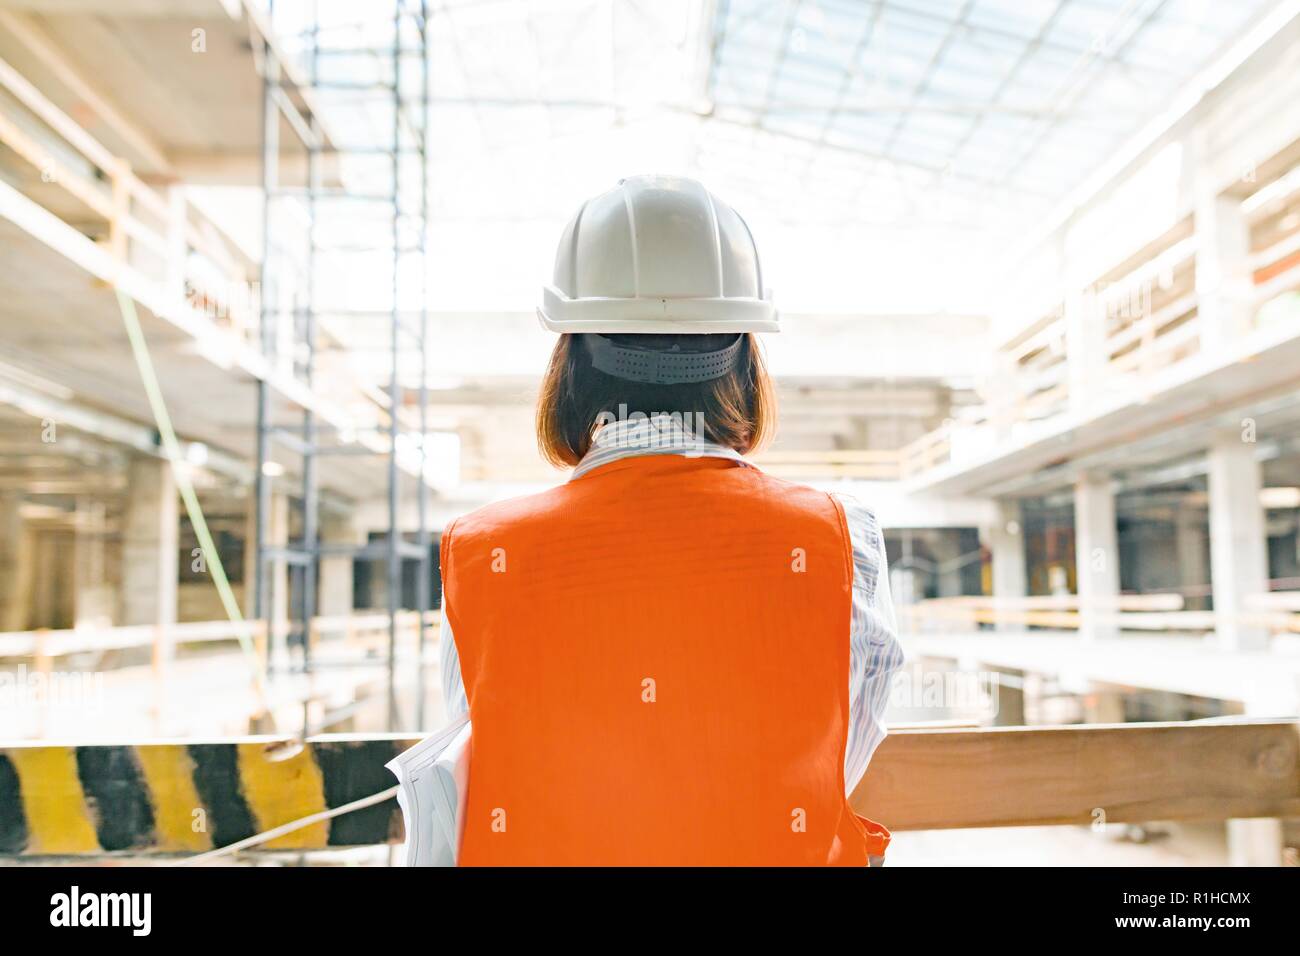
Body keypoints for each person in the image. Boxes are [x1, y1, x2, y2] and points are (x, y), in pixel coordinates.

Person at [438, 174, 904, 866]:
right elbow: (843, 750)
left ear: (568, 369)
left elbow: (469, 759)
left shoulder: (479, 553)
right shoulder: (842, 539)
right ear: (745, 365)